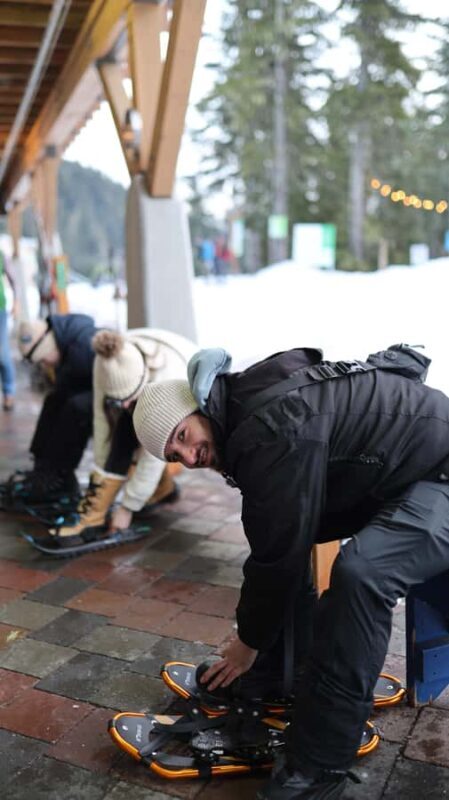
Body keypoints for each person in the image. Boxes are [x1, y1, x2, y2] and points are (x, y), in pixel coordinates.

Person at [133, 344, 449, 800]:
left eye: (181, 435)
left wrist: (247, 644)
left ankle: (319, 769)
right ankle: (283, 672)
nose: (187, 457)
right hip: (409, 471)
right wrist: (258, 648)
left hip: (439, 473)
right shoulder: (246, 413)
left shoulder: (266, 430)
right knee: (288, 535)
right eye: (173, 456)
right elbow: (279, 539)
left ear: (197, 406)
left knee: (361, 575)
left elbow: (276, 558)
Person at [46, 327, 197, 550]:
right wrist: (100, 471)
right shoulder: (104, 361)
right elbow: (101, 421)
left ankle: (148, 492)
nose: (125, 405)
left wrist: (128, 508)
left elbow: (155, 453)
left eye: (130, 398)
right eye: (119, 401)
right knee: (121, 425)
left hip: (190, 413)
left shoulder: (168, 375)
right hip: (148, 390)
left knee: (139, 433)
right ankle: (156, 491)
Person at [6, 313, 98, 506]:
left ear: (48, 346)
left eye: (43, 359)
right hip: (90, 391)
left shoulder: (82, 346)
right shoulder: (66, 342)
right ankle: (43, 468)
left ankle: (60, 475)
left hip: (110, 398)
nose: (44, 364)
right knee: (53, 400)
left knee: (75, 408)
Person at [0, 249, 17, 411]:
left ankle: (8, 392)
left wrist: (16, 301)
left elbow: (13, 279)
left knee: (3, 354)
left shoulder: (1, 255)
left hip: (0, 311)